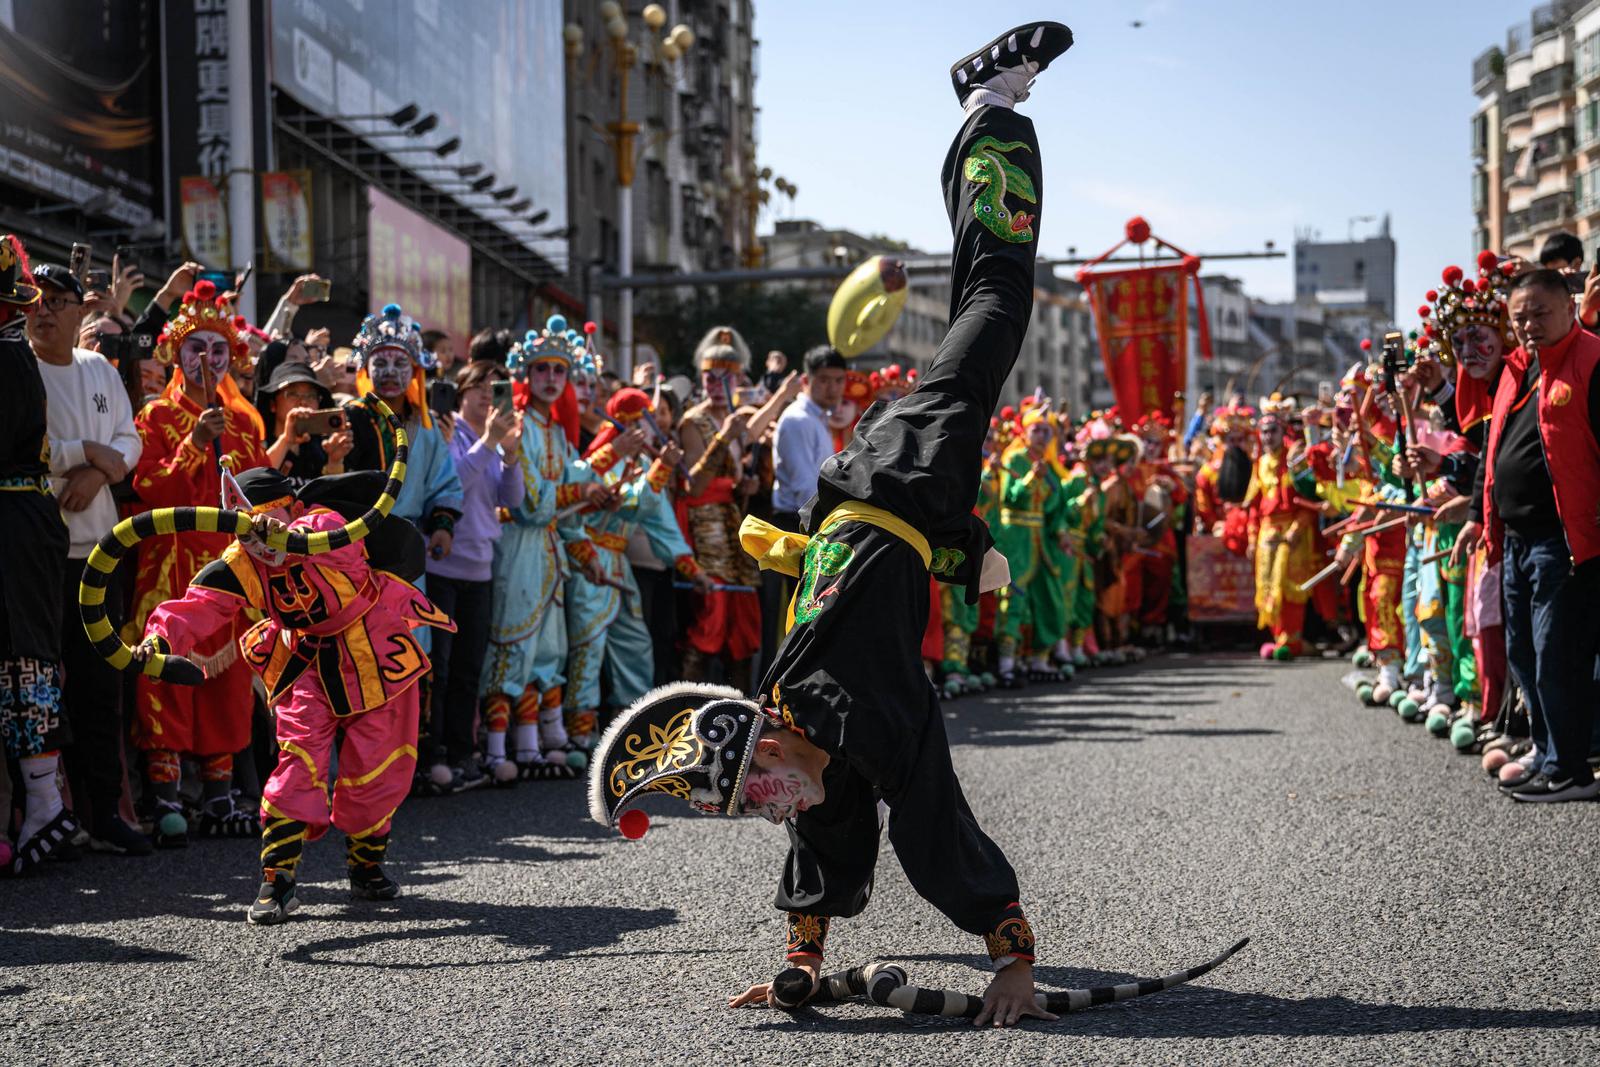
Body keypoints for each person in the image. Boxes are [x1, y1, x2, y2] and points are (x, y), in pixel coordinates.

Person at [591, 22, 1074, 1027]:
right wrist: (798, 964)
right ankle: (982, 114)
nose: (774, 801)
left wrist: (1013, 958)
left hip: (895, 476)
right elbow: (829, 839)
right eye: (762, 795)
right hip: (892, 500)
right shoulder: (819, 737)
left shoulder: (846, 704)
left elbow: (936, 827)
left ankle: (988, 108)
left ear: (768, 735)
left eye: (761, 782)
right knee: (973, 306)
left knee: (994, 296)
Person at [130, 463, 455, 923]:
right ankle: (276, 879)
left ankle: (366, 865)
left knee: (380, 767)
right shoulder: (243, 560)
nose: (258, 540)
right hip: (304, 663)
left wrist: (291, 534)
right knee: (297, 761)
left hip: (373, 651)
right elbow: (199, 604)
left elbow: (330, 542)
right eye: (246, 529)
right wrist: (159, 642)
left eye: (267, 522)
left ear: (294, 508)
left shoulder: (325, 524)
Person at [128, 280, 270, 846]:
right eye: (196, 350)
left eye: (218, 351)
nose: (207, 361)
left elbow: (261, 491)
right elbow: (147, 488)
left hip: (227, 570)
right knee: (165, 674)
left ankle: (218, 793)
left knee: (228, 679)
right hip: (169, 567)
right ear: (175, 356)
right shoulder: (156, 417)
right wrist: (192, 441)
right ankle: (164, 794)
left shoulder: (244, 424)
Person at [1456, 268, 1600, 802]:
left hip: (1563, 538)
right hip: (1514, 538)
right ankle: (1545, 748)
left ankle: (1570, 770)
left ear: (1570, 307)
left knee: (1556, 651)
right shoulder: (1518, 370)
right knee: (1523, 652)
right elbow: (1493, 453)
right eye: (1520, 317)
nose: (1530, 326)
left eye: (1541, 313)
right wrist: (1477, 514)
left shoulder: (1590, 359)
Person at [29, 262, 150, 856]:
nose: (43, 309)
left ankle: (105, 814)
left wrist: (97, 467)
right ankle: (49, 816)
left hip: (101, 555)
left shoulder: (98, 366)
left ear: (81, 311)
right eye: (35, 299)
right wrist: (85, 454)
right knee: (42, 688)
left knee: (102, 687)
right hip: (38, 555)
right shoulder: (16, 368)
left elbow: (131, 439)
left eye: (57, 300)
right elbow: (19, 445)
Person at [481, 318, 615, 779]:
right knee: (513, 643)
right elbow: (533, 506)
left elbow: (565, 511)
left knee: (548, 651)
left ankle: (537, 742)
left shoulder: (558, 432)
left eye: (560, 371)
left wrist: (588, 555)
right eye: (542, 370)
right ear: (526, 375)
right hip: (518, 549)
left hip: (550, 554)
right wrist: (583, 493)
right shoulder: (516, 427)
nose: (553, 380)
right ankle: (498, 751)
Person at [0, 237, 76, 874]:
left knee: (25, 656)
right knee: (20, 656)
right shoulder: (12, 353)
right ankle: (38, 798)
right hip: (23, 519)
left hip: (16, 524)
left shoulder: (4, 357)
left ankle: (45, 798)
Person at [420, 360, 525, 792]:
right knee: (438, 668)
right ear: (461, 392)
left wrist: (512, 455)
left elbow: (513, 498)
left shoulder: (493, 440)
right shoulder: (448, 429)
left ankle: (464, 752)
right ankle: (435, 754)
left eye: (496, 387)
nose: (487, 395)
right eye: (479, 387)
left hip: (480, 566)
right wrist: (489, 442)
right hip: (442, 565)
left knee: (468, 668)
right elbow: (451, 485)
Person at [765, 345, 846, 665]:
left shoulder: (818, 419)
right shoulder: (797, 420)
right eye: (824, 380)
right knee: (797, 616)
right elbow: (803, 488)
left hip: (813, 526)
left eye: (839, 380)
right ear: (806, 382)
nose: (833, 388)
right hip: (795, 526)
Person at [258, 361, 353, 488]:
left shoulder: (323, 447)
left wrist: (335, 462)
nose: (303, 402)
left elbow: (328, 500)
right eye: (292, 394)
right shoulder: (257, 443)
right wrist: (286, 441)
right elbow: (254, 482)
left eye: (311, 396)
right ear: (273, 404)